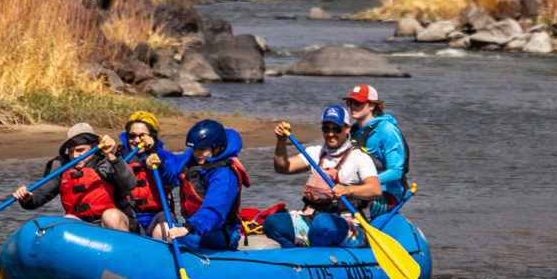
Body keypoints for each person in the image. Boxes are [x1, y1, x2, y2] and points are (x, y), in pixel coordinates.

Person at [264, 105, 380, 247]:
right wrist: (281, 141)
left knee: (324, 223)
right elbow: (283, 167)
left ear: (347, 128)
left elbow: (375, 189)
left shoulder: (359, 157)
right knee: (272, 222)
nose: (331, 134)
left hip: (349, 227)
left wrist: (348, 190)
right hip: (315, 222)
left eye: (336, 129)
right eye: (326, 129)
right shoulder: (315, 153)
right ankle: (300, 260)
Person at [12, 121, 137, 232]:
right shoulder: (64, 170)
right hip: (87, 227)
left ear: (93, 146)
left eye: (80, 150)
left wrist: (111, 155)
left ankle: (126, 253)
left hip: (116, 223)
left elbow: (130, 184)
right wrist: (27, 199)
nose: (75, 156)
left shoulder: (107, 162)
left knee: (111, 216)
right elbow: (39, 197)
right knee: (68, 220)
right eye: (71, 151)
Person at [161, 118, 249, 252]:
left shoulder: (225, 175)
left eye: (202, 149)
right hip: (199, 228)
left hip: (222, 235)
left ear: (218, 148)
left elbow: (214, 208)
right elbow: (173, 165)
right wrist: (159, 162)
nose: (197, 153)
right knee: (160, 228)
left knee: (160, 232)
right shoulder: (195, 159)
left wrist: (187, 228)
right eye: (194, 149)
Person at [344, 84, 409, 217]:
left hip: (387, 194)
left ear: (372, 105)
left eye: (358, 102)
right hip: (359, 189)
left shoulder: (387, 130)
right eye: (350, 102)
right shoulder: (354, 131)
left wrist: (365, 185)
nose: (352, 107)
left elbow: (396, 171)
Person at [118, 109, 175, 240]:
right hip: (130, 216)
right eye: (132, 136)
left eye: (142, 136)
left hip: (158, 215)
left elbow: (172, 176)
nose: (137, 141)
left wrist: (157, 158)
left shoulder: (165, 157)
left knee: (166, 225)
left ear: (153, 136)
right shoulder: (118, 158)